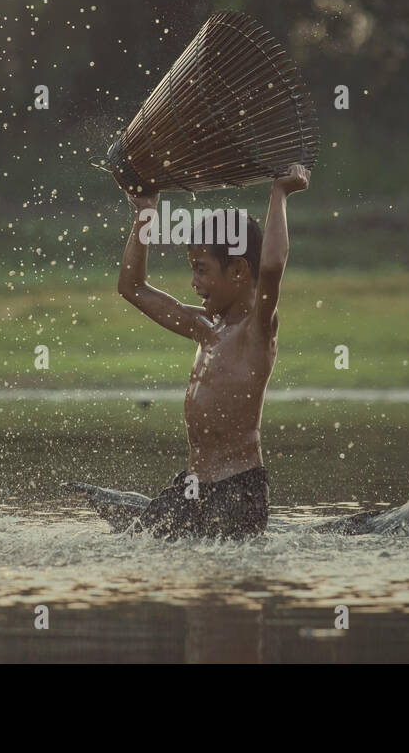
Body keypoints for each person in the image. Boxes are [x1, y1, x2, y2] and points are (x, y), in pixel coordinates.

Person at [114, 163, 311, 539]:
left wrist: (279, 193)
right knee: (134, 544)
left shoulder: (257, 329)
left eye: (202, 271)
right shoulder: (204, 328)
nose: (194, 283)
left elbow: (271, 265)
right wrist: (145, 211)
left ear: (237, 271)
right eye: (192, 269)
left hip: (237, 492)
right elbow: (132, 286)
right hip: (194, 487)